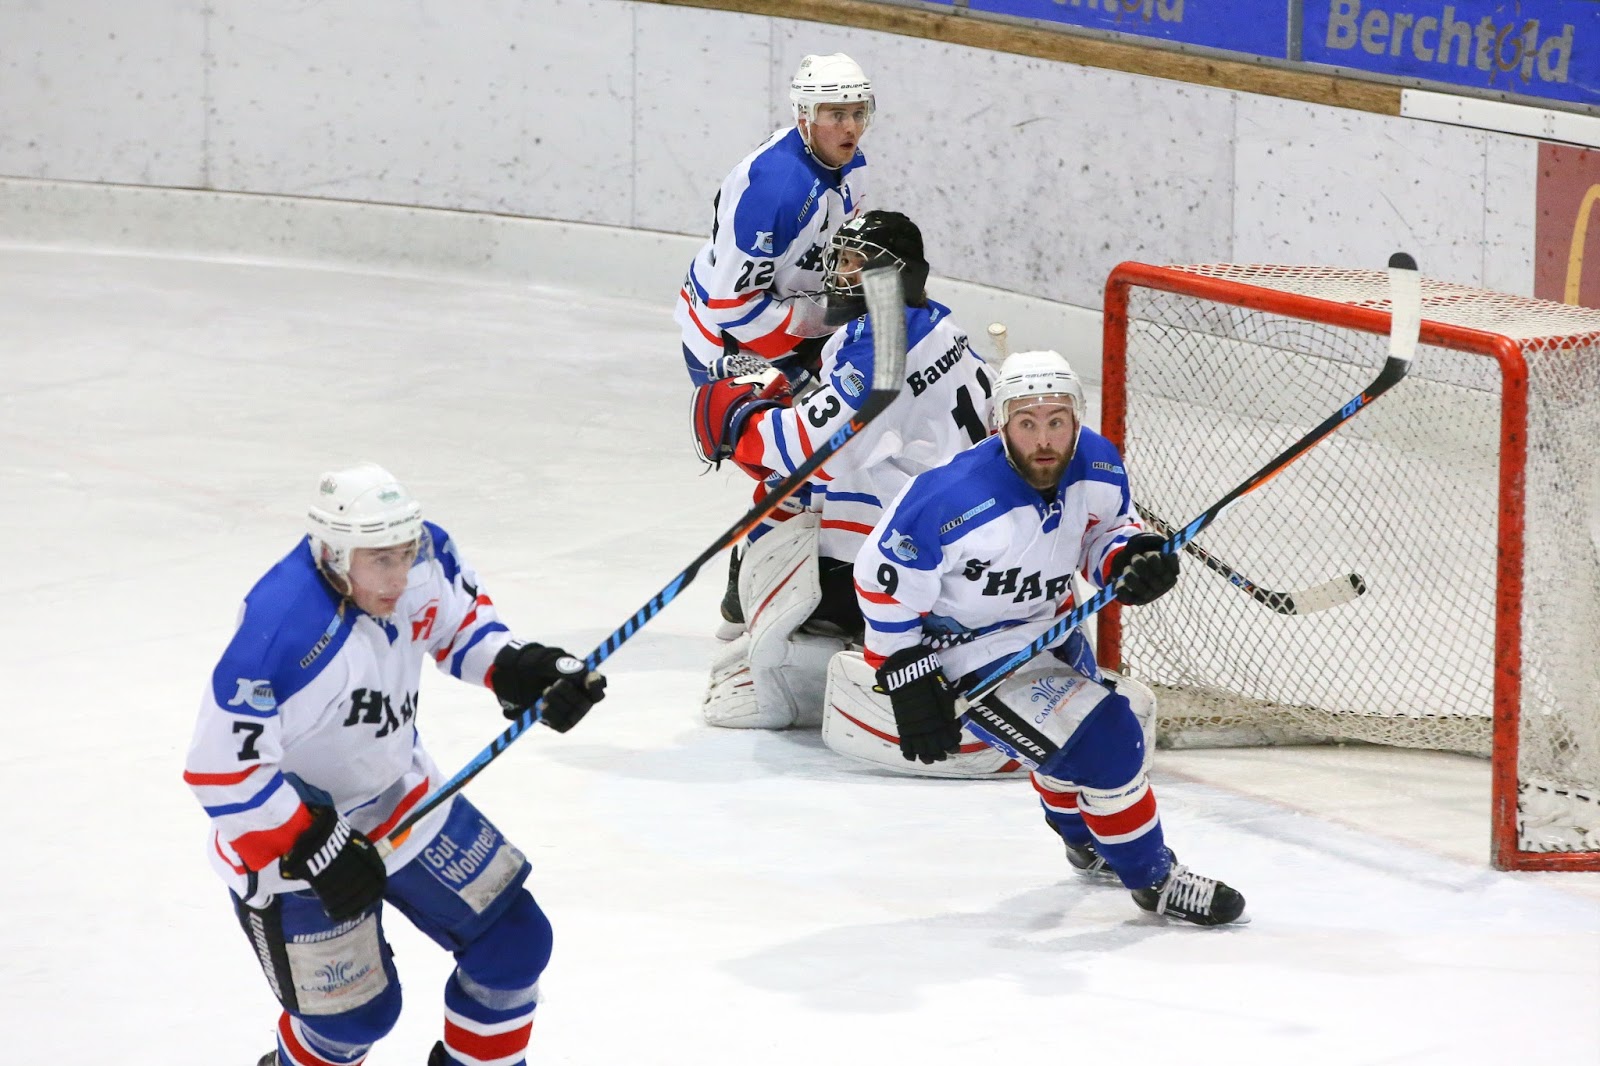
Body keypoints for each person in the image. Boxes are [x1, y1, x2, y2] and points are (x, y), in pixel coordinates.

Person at [183, 463, 607, 1066]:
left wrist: (518, 667)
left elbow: (461, 626)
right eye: (381, 561)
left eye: (405, 555)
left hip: (400, 797)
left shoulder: (423, 555)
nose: (400, 574)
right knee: (355, 1020)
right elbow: (219, 769)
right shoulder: (282, 630)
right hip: (291, 845)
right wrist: (313, 842)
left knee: (513, 946)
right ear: (333, 553)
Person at [842, 351, 1248, 926]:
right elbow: (881, 585)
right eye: (1026, 423)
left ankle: (1085, 840)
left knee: (1067, 750)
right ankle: (1154, 880)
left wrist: (1128, 560)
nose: (1044, 440)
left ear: (1076, 420)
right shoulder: (947, 497)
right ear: (999, 425)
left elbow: (1103, 532)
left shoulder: (1098, 463)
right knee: (1110, 739)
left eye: (1056, 421)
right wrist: (905, 677)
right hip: (968, 652)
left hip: (1051, 626)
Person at [689, 209, 992, 731]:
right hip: (972, 539)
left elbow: (813, 451)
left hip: (925, 566)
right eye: (842, 259)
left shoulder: (885, 352)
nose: (839, 273)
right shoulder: (934, 321)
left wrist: (740, 425)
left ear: (892, 277)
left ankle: (796, 670)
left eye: (856, 264)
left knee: (789, 489)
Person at [674, 52, 873, 388]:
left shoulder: (850, 163)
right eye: (836, 114)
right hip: (730, 345)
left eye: (858, 112)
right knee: (780, 440)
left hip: (792, 321)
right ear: (804, 117)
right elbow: (730, 305)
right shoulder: (778, 193)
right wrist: (826, 319)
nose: (851, 127)